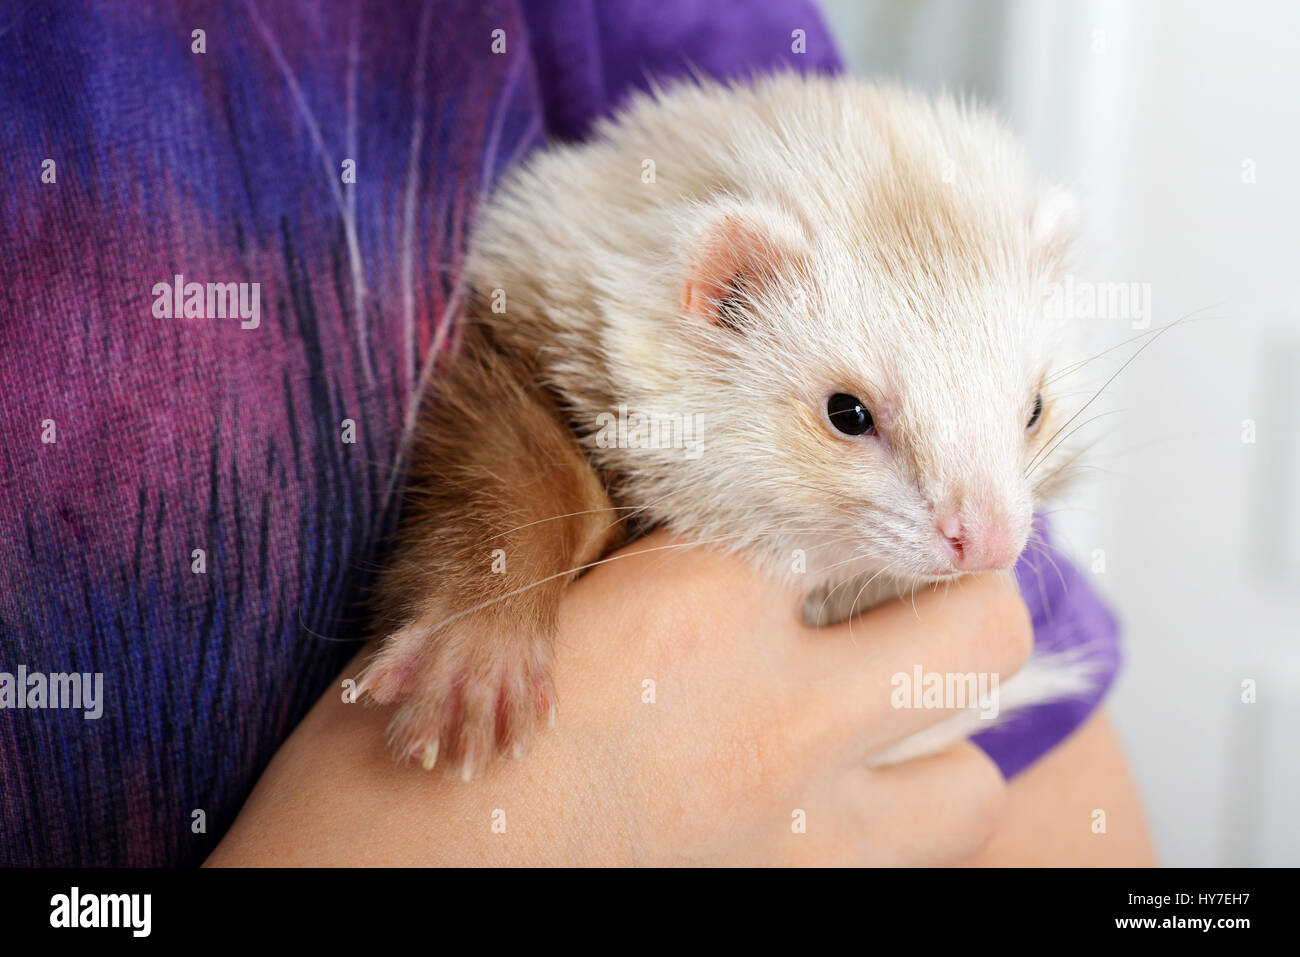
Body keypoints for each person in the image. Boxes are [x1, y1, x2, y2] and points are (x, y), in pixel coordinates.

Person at [0, 0, 1148, 866]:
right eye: (848, 418)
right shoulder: (577, 337)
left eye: (1028, 416)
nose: (993, 530)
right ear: (720, 294)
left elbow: (1017, 685)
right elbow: (525, 413)